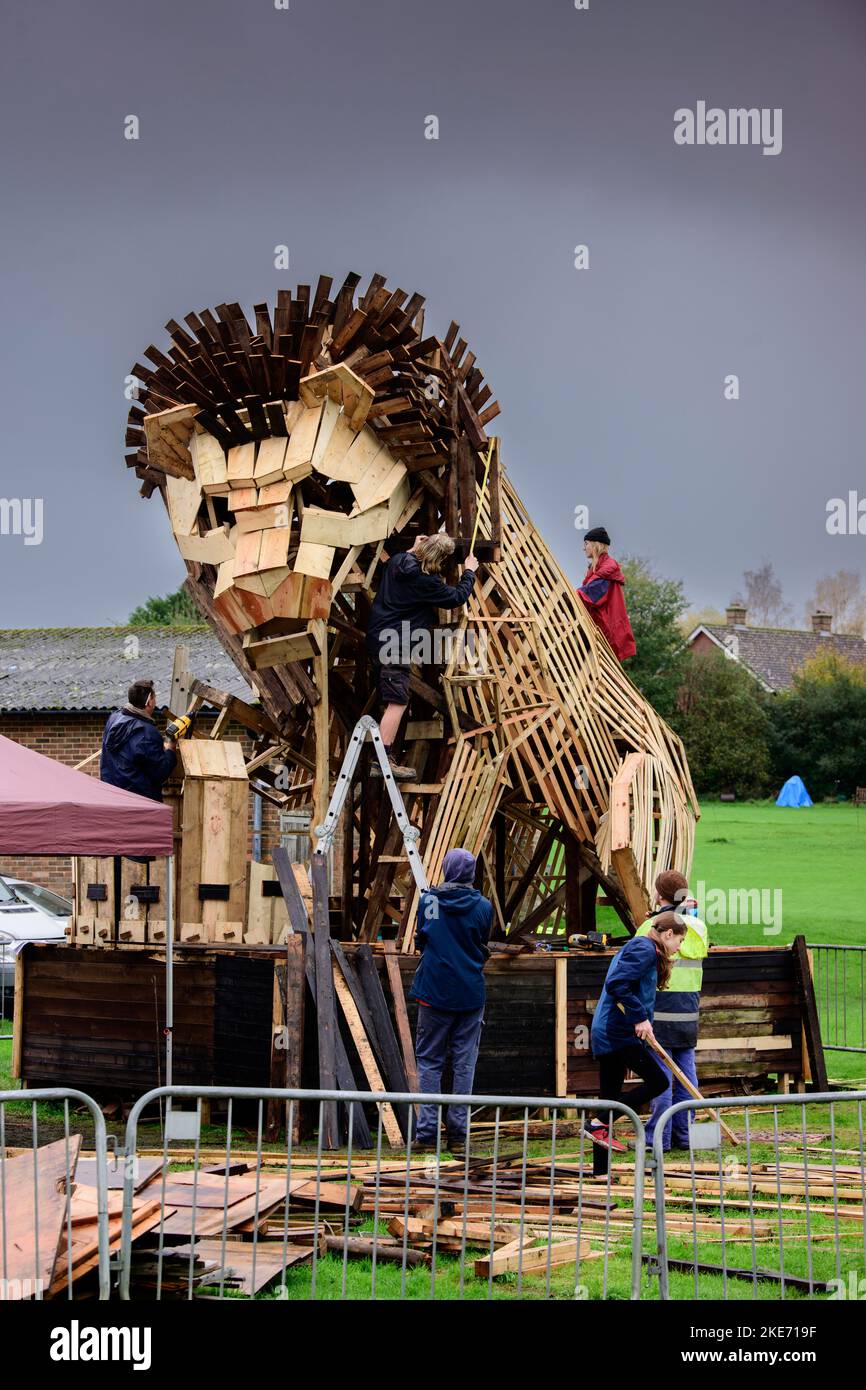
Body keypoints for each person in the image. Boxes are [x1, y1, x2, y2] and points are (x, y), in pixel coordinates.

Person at [366, 534, 479, 780]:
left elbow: (409, 557)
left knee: (389, 698)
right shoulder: (426, 582)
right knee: (398, 701)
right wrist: (469, 572)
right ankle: (382, 760)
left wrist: (416, 546)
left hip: (378, 638)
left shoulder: (398, 561)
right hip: (395, 644)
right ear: (440, 559)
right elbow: (456, 597)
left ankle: (383, 755)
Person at [587, 912, 688, 1170]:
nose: (679, 946)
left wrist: (643, 1023)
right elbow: (617, 984)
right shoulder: (644, 949)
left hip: (611, 1029)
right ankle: (599, 1123)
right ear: (668, 934)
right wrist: (640, 1018)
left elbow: (631, 989)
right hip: (615, 1031)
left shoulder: (644, 948)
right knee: (659, 1080)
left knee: (609, 1096)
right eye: (680, 940)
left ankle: (600, 1172)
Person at [409, 848, 493, 1153]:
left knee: (430, 1062)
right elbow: (481, 940)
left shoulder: (430, 901)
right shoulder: (483, 906)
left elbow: (424, 936)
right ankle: (458, 1136)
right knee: (464, 1063)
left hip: (434, 992)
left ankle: (427, 1134)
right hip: (470, 993)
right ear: (471, 874)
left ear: (446, 869)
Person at [636, 870, 709, 1152]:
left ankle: (658, 1138)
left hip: (659, 1012)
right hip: (688, 1012)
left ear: (658, 894)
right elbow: (689, 925)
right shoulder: (699, 928)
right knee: (687, 1075)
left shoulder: (650, 928)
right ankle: (685, 1135)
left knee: (661, 1077)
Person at [101, 678, 177, 802]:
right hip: (140, 802)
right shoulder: (147, 733)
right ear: (149, 702)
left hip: (112, 798)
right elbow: (161, 772)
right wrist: (170, 750)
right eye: (154, 697)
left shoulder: (113, 719)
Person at [576, 526, 636, 661]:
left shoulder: (607, 570)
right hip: (597, 628)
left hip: (606, 632)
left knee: (589, 669)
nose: (583, 548)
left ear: (595, 545)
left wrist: (566, 596)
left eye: (586, 544)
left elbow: (590, 595)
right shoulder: (597, 568)